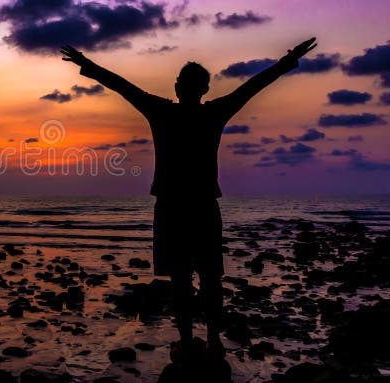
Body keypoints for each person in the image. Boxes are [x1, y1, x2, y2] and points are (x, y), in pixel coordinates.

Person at [60, 37, 317, 357]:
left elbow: (122, 86)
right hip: (197, 205)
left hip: (175, 206)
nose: (183, 85)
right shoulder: (209, 111)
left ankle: (194, 338)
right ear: (197, 89)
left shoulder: (164, 110)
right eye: (184, 81)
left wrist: (87, 63)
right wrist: (287, 60)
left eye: (186, 82)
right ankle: (207, 338)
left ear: (186, 88)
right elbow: (254, 85)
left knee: (189, 277)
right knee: (206, 276)